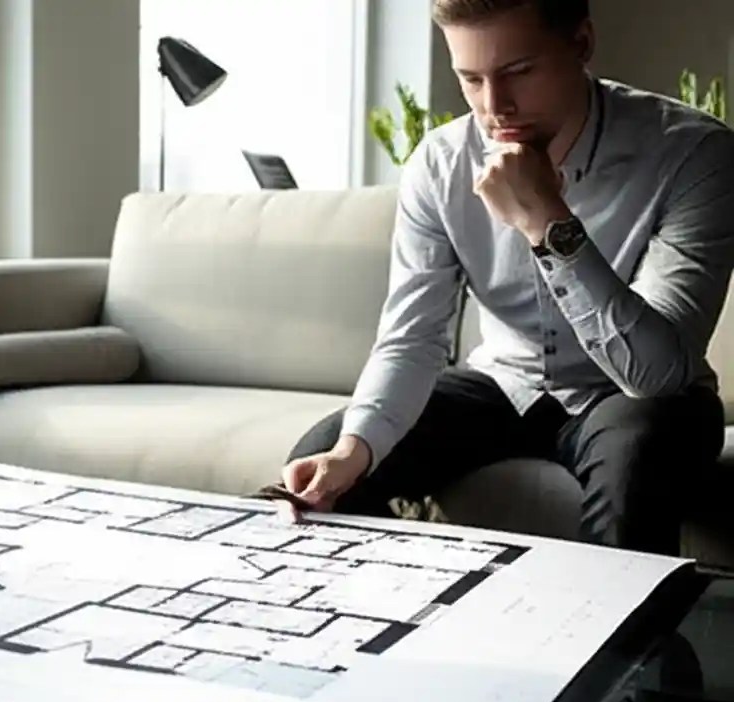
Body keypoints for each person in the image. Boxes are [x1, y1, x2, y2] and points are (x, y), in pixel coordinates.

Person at [280, 0, 734, 555]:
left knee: (636, 460)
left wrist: (547, 222)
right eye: (471, 79)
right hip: (503, 384)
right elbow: (413, 338)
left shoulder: (695, 153)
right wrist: (355, 447)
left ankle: (626, 644)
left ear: (582, 45)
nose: (495, 108)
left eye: (519, 71)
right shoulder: (440, 163)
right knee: (324, 460)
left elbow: (656, 375)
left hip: (634, 395)